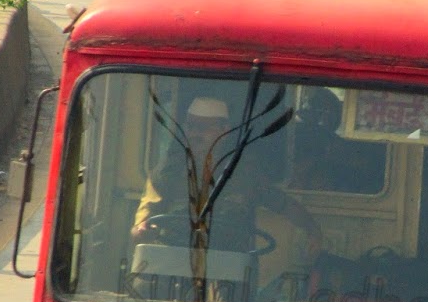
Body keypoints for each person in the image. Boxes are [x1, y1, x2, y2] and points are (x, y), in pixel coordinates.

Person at [133, 96, 322, 257]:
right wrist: (143, 231)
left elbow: (283, 204)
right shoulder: (167, 172)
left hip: (229, 264)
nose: (196, 133)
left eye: (204, 128)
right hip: (171, 259)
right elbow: (141, 223)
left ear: (224, 130)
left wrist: (312, 229)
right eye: (191, 127)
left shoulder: (245, 173)